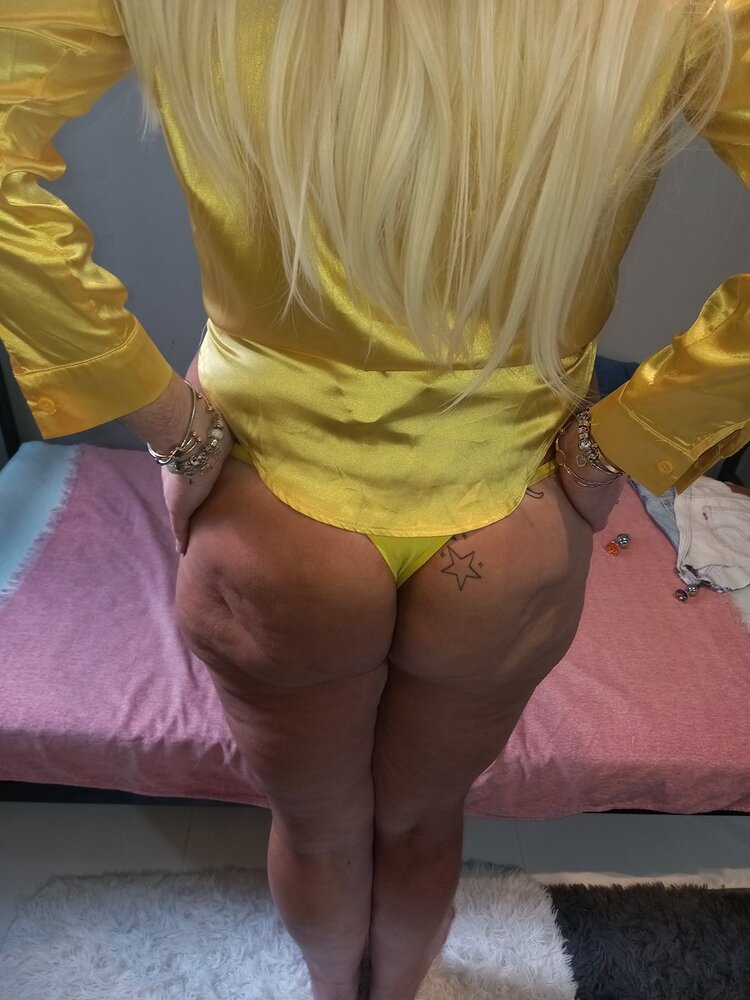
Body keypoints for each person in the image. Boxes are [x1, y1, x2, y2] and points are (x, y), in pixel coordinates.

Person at [1, 2, 748, 997]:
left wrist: (168, 422)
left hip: (270, 512)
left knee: (316, 830)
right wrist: (627, 436)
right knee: (424, 823)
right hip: (511, 512)